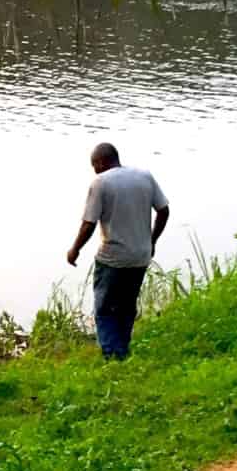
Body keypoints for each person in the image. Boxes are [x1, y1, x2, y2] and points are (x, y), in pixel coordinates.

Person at [66, 141, 169, 361]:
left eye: (94, 165)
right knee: (126, 307)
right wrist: (152, 241)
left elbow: (89, 223)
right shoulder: (144, 176)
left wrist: (75, 249)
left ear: (102, 162)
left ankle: (112, 356)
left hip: (112, 258)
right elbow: (163, 210)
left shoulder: (101, 183)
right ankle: (122, 349)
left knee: (104, 309)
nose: (94, 169)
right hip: (140, 256)